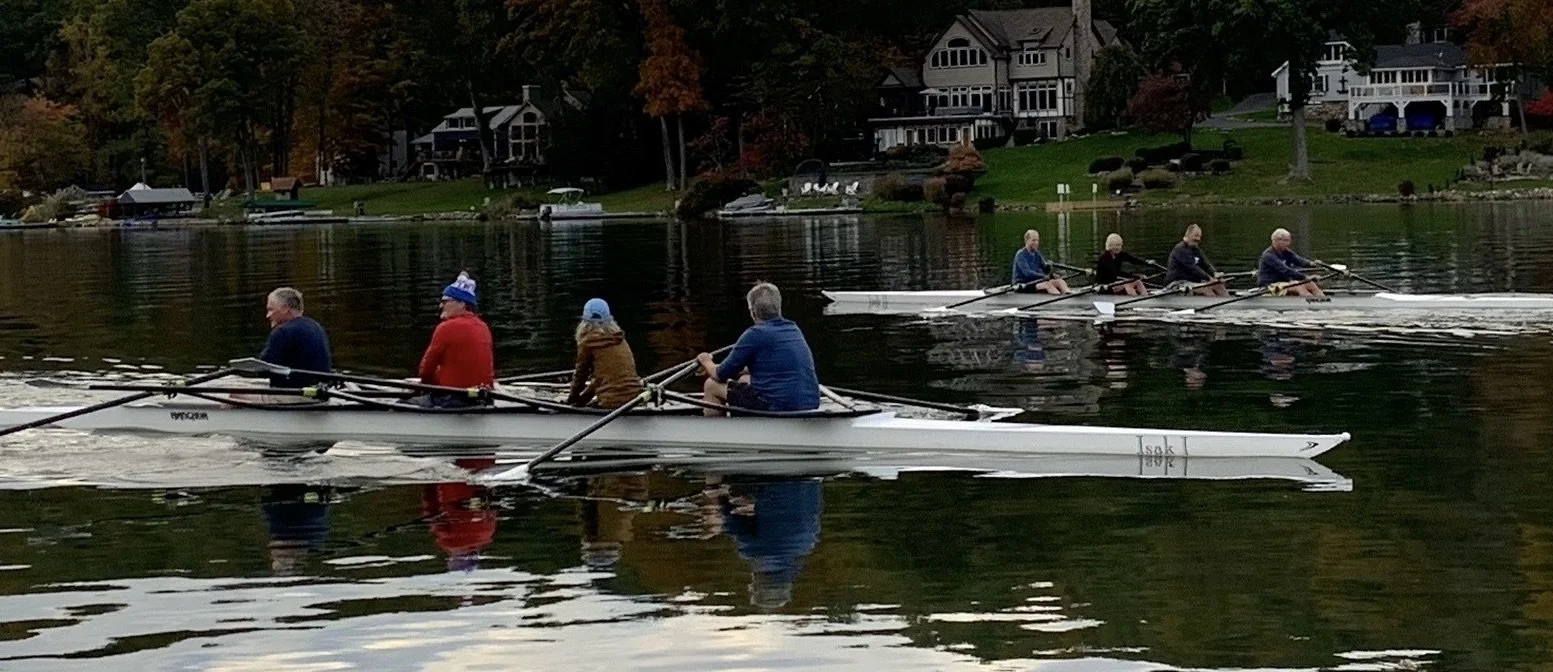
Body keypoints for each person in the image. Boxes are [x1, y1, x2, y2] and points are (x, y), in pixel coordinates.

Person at [697, 283, 820, 415]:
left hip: (777, 405)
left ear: (752, 310)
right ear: (779, 307)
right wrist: (722, 368)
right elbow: (766, 368)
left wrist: (705, 361)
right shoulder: (793, 329)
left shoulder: (754, 334)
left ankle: (714, 433)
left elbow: (719, 375)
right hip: (810, 402)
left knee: (711, 385)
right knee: (745, 379)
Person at [417, 271, 494, 407]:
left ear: (461, 303)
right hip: (483, 396)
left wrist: (425, 387)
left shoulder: (446, 328)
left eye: (445, 301)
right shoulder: (483, 327)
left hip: (453, 398)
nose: (441, 306)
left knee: (400, 403)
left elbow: (425, 370)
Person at [566, 298, 644, 408]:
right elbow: (601, 379)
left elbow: (580, 375)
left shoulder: (587, 343)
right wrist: (582, 400)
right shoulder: (620, 339)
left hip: (611, 401)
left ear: (584, 321)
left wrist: (571, 399)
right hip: (635, 398)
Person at [258, 287, 332, 388]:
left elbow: (263, 371)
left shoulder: (282, 331)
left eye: (271, 310)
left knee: (231, 392)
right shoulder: (316, 326)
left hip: (295, 395)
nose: (267, 316)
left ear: (285, 309)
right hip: (322, 388)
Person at [1257, 228, 1325, 298]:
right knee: (1299, 287)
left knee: (1310, 284)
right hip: (1270, 285)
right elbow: (1286, 270)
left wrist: (1312, 264)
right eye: (1286, 241)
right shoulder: (1268, 256)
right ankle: (1311, 304)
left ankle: (1324, 302)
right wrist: (1305, 277)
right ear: (1277, 240)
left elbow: (1299, 261)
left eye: (1289, 240)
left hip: (1284, 283)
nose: (1289, 243)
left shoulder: (1286, 252)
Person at [1166, 224, 1229, 297]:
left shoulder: (1196, 249)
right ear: (1188, 235)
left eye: (1199, 236)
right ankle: (1216, 305)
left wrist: (1215, 274)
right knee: (1206, 289)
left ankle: (1229, 302)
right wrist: (1209, 278)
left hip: (1193, 283)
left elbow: (1206, 264)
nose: (1198, 239)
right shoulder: (1180, 249)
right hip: (1177, 283)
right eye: (1196, 235)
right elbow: (1193, 268)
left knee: (1218, 285)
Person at [1011, 230, 1070, 295]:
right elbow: (1028, 274)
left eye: (1037, 240)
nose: (1036, 243)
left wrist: (1049, 267)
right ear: (1026, 241)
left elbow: (1045, 269)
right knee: (1048, 285)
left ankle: (1069, 295)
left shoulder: (1037, 254)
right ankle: (1059, 300)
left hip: (1036, 282)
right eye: (1033, 240)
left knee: (1060, 281)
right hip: (1023, 284)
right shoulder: (1020, 255)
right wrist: (1045, 277)